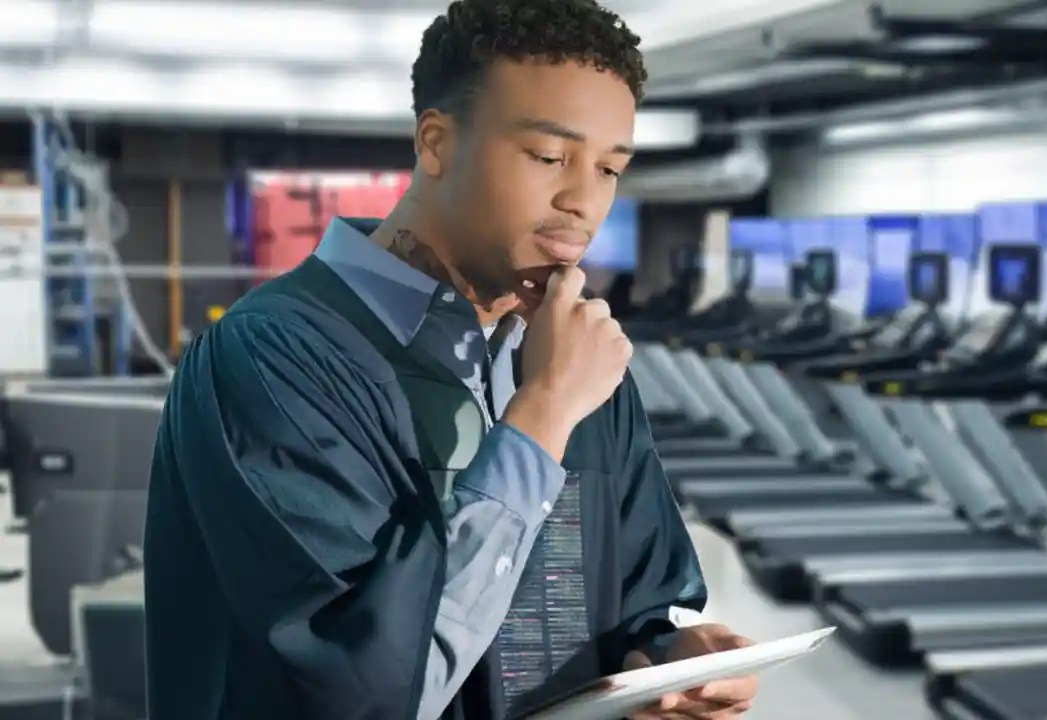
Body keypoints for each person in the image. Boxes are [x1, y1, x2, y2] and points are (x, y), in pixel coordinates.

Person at [142, 0, 759, 718]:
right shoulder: (272, 358)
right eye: (549, 157)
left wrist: (672, 661)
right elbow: (356, 693)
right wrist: (543, 415)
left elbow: (642, 603)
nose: (582, 201)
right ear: (435, 143)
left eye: (610, 168)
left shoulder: (579, 362)